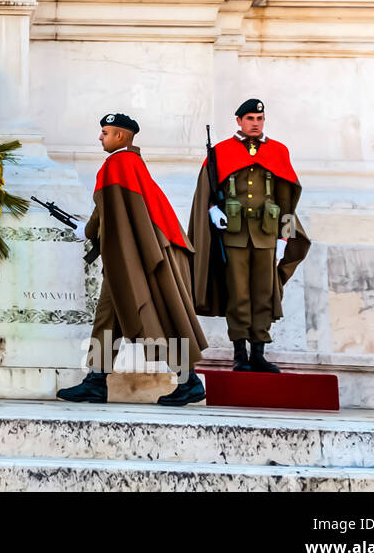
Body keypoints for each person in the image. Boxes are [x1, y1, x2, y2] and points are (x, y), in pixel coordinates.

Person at [58, 113, 208, 406]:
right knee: (107, 319)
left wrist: (86, 231)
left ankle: (188, 380)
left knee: (161, 315)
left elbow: (106, 210)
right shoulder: (132, 163)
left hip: (141, 259)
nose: (100, 138)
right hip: (138, 256)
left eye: (105, 132)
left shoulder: (117, 164)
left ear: (122, 137)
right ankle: (97, 381)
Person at [188, 99, 311, 373]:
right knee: (239, 294)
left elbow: (287, 200)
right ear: (239, 121)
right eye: (250, 118)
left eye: (260, 118)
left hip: (267, 236)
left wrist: (284, 238)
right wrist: (211, 211)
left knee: (264, 294)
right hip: (234, 235)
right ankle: (240, 354)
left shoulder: (277, 151)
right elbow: (206, 191)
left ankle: (259, 353)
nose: (255, 123)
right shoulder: (221, 152)